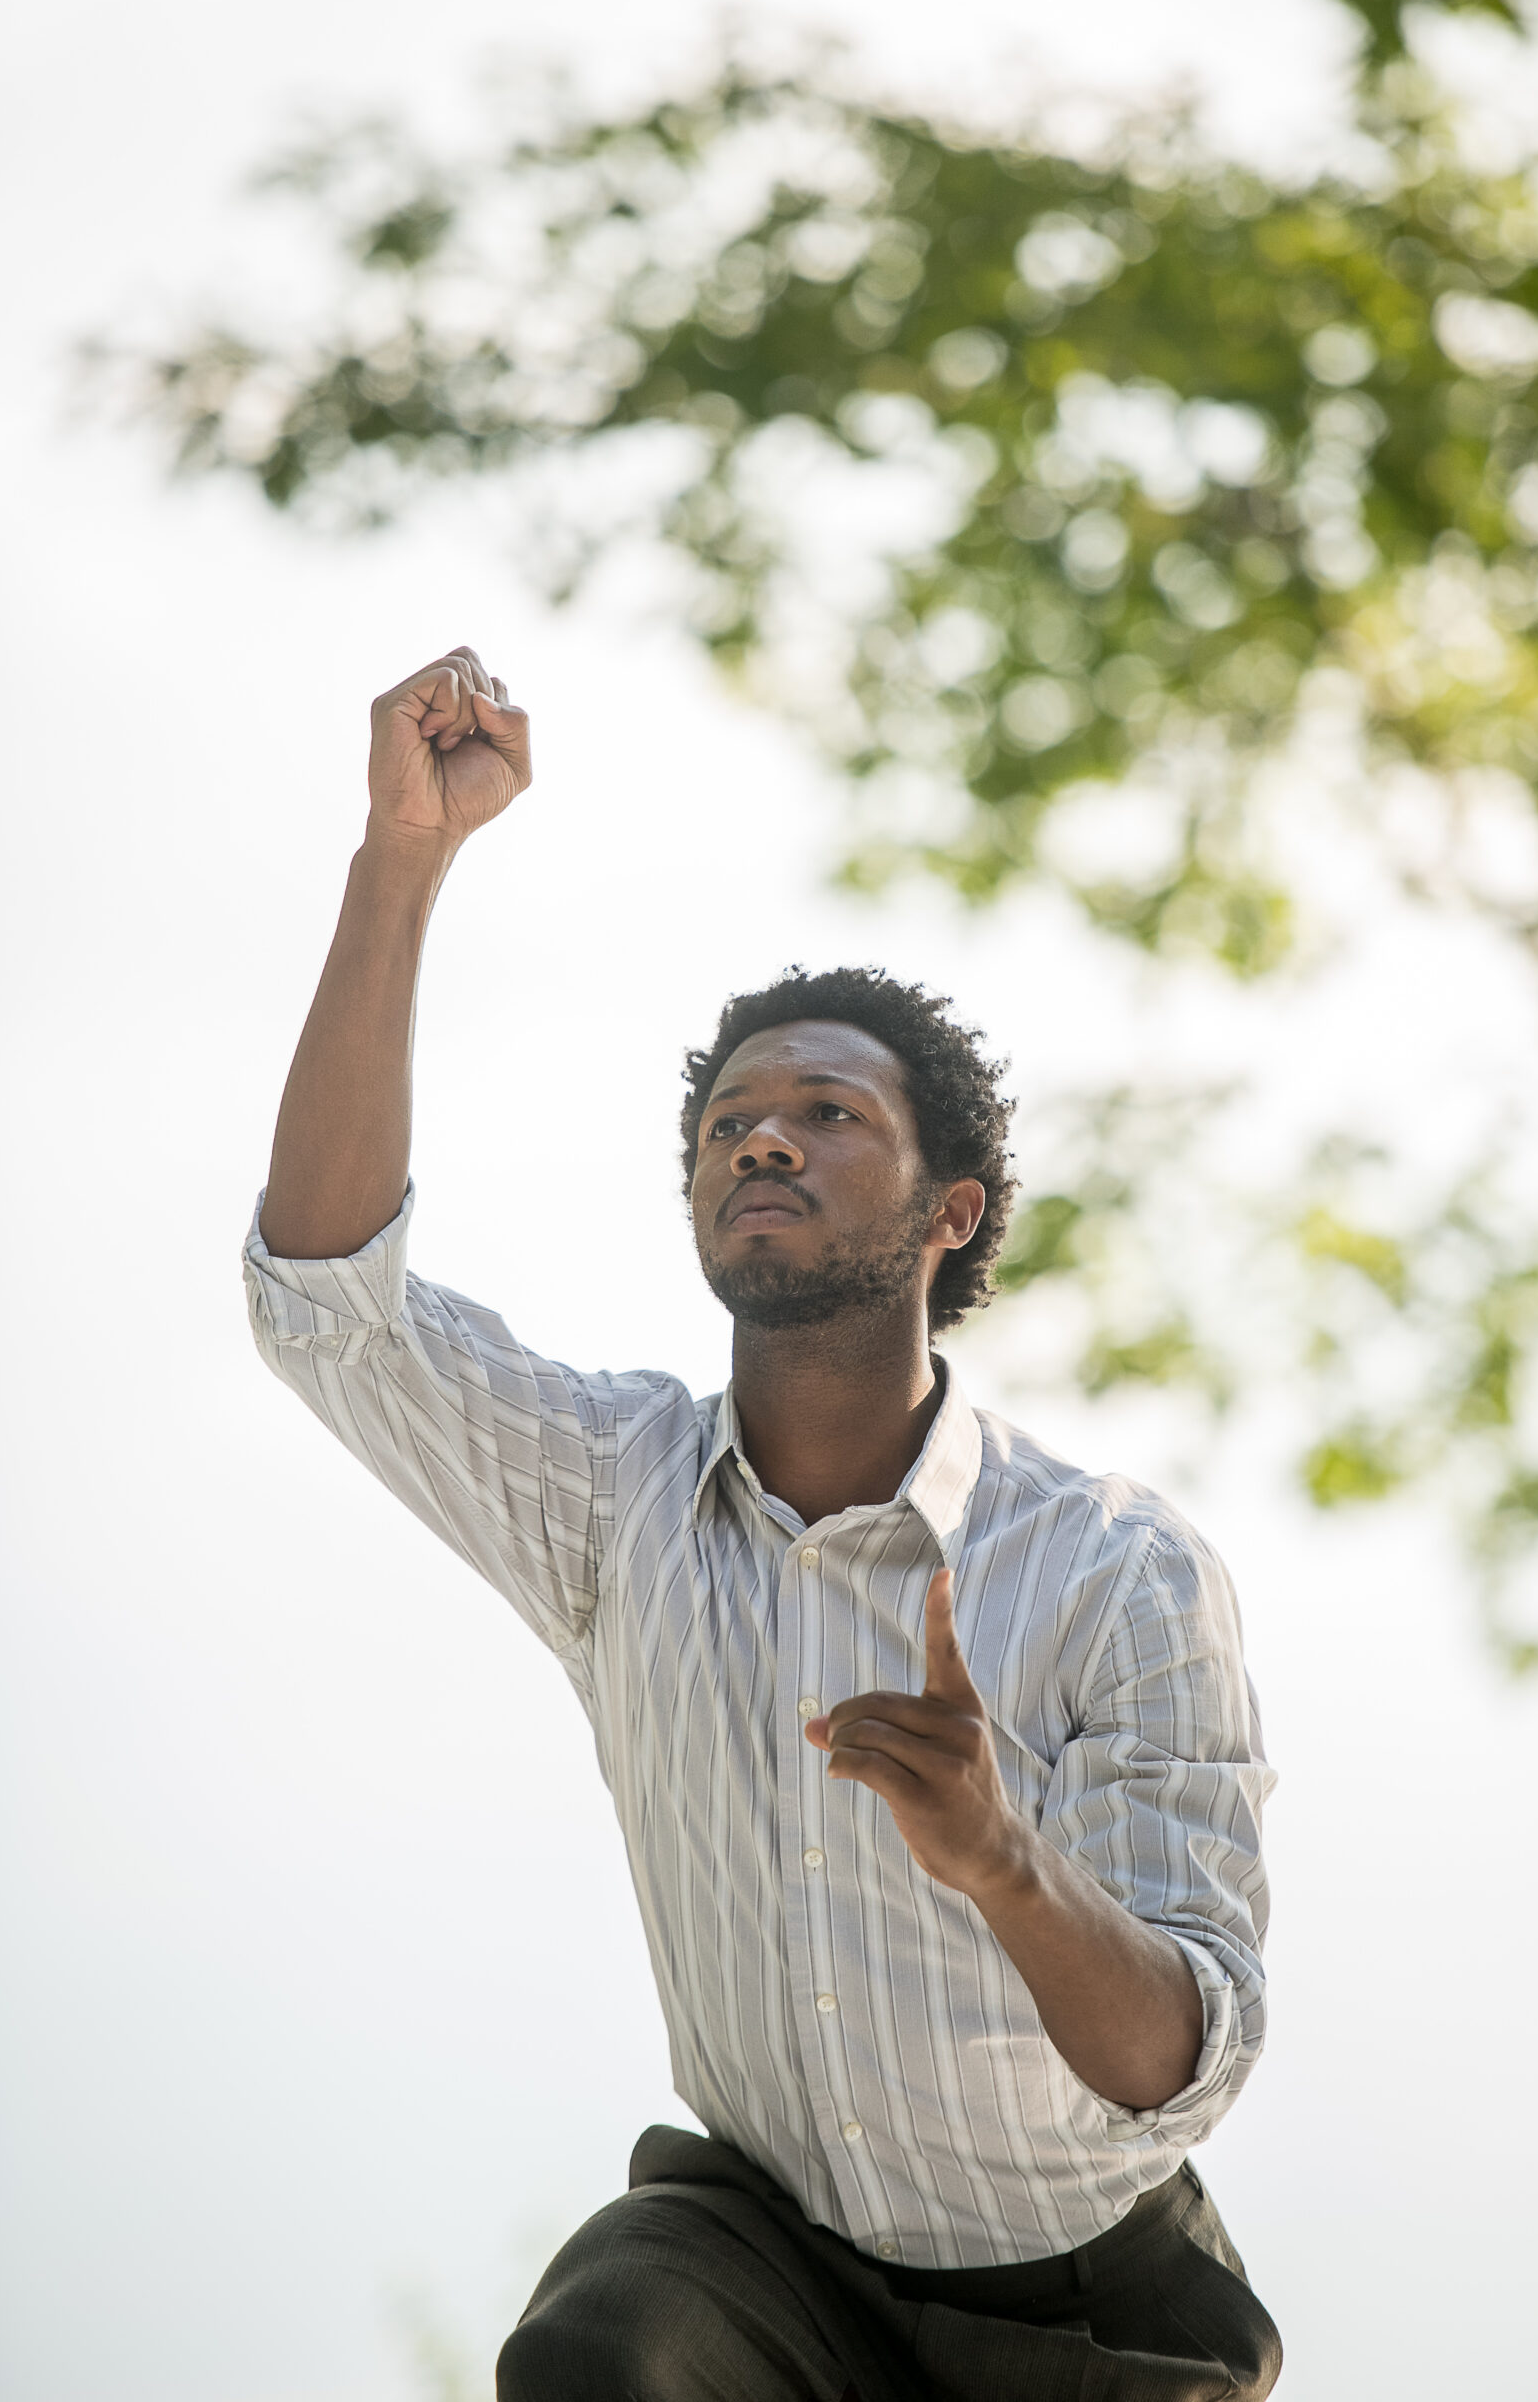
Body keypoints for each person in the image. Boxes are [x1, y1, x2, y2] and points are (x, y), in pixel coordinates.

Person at [246, 648, 1281, 2402]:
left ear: (950, 1213)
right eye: (729, 1126)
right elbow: (327, 1308)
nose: (761, 1145)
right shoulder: (612, 1494)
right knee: (608, 2343)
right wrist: (400, 859)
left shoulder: (1118, 1569)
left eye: (825, 1115)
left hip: (1084, 2303)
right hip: (762, 2253)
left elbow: (1180, 2053)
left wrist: (1003, 1862)